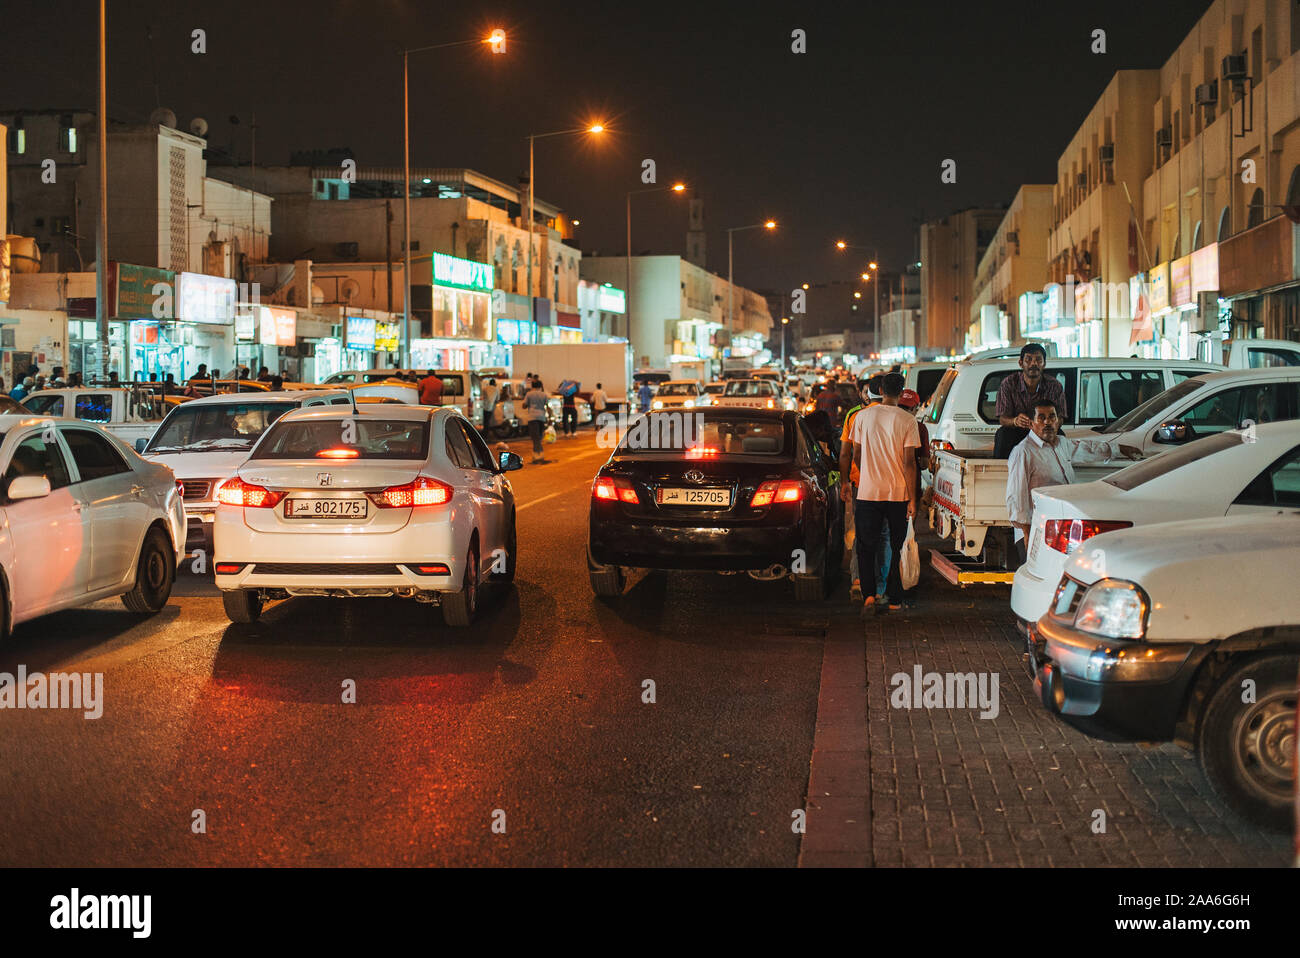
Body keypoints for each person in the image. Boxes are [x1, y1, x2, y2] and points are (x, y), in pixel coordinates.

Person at [1005, 400, 1135, 565]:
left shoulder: (1061, 444)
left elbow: (1088, 449)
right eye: (1041, 418)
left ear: (1058, 421)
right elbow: (1016, 496)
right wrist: (1028, 533)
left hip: (1059, 529)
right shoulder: (1023, 452)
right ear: (1031, 423)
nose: (1047, 422)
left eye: (1052, 417)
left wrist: (1120, 449)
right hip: (1036, 531)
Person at [842, 372, 920, 614]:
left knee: (866, 546)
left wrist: (867, 474)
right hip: (897, 493)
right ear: (901, 391)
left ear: (881, 390)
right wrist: (913, 498)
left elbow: (855, 452)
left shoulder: (862, 417)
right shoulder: (908, 421)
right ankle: (895, 599)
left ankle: (869, 597)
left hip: (868, 492)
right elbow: (909, 463)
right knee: (896, 546)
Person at [993, 343, 1065, 458]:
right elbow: (1003, 418)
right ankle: (1001, 472)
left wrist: (1049, 424)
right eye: (1028, 360)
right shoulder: (1008, 384)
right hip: (1016, 431)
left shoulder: (1054, 386)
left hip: (1043, 431)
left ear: (1044, 364)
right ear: (1021, 363)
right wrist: (1015, 421)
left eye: (1038, 360)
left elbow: (1060, 418)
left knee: (1060, 435)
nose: (1034, 363)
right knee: (1003, 434)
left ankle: (1058, 471)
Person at [523, 377, 549, 463]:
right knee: (539, 437)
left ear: (532, 386)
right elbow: (547, 406)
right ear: (540, 386)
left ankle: (538, 455)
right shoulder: (544, 394)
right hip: (541, 417)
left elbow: (524, 405)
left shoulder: (529, 394)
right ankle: (537, 455)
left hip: (532, 417)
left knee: (535, 437)